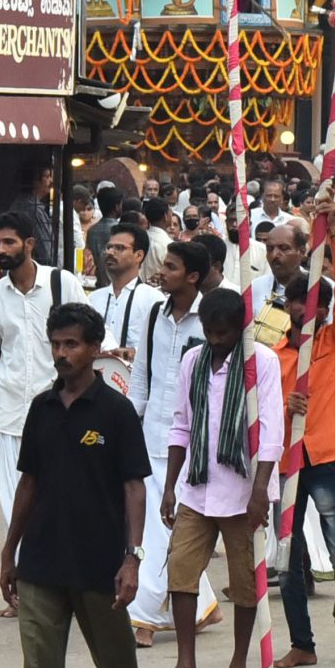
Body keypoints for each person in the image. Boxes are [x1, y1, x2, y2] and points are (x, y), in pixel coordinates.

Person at [0, 303, 153, 668]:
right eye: (56, 344)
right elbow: (29, 482)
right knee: (39, 667)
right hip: (41, 560)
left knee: (116, 661)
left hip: (99, 563)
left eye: (72, 344)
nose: (62, 354)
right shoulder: (41, 409)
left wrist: (132, 557)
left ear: (94, 347)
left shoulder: (115, 411)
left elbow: (134, 487)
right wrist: (8, 551)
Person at [148, 288, 280, 668]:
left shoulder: (262, 361)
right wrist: (169, 486)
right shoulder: (193, 360)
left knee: (244, 582)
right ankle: (185, 667)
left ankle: (238, 666)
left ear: (239, 328)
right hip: (197, 486)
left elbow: (271, 431)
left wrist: (260, 492)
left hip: (243, 490)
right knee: (180, 571)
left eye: (223, 333)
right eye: (210, 332)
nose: (216, 340)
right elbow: (181, 425)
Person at [271, 198, 335, 668]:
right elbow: (259, 406)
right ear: (287, 305)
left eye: (314, 305)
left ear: (325, 311)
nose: (303, 311)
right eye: (296, 303)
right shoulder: (273, 352)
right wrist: (282, 404)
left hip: (327, 457)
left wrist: (330, 234)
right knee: (289, 557)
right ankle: (302, 644)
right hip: (286, 463)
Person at [123, 239, 214, 644]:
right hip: (148, 436)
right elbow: (142, 374)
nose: (163, 272)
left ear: (192, 277)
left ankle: (145, 619)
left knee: (169, 529)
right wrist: (127, 422)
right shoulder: (154, 315)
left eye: (172, 267)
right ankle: (200, 605)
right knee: (148, 527)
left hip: (191, 443)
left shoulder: (210, 320)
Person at [0, 213, 67, 545]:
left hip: (59, 417)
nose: (1, 249)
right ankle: (24, 589)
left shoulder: (62, 284)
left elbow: (95, 337)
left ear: (29, 244)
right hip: (10, 421)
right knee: (15, 509)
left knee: (56, 506)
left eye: (9, 242)